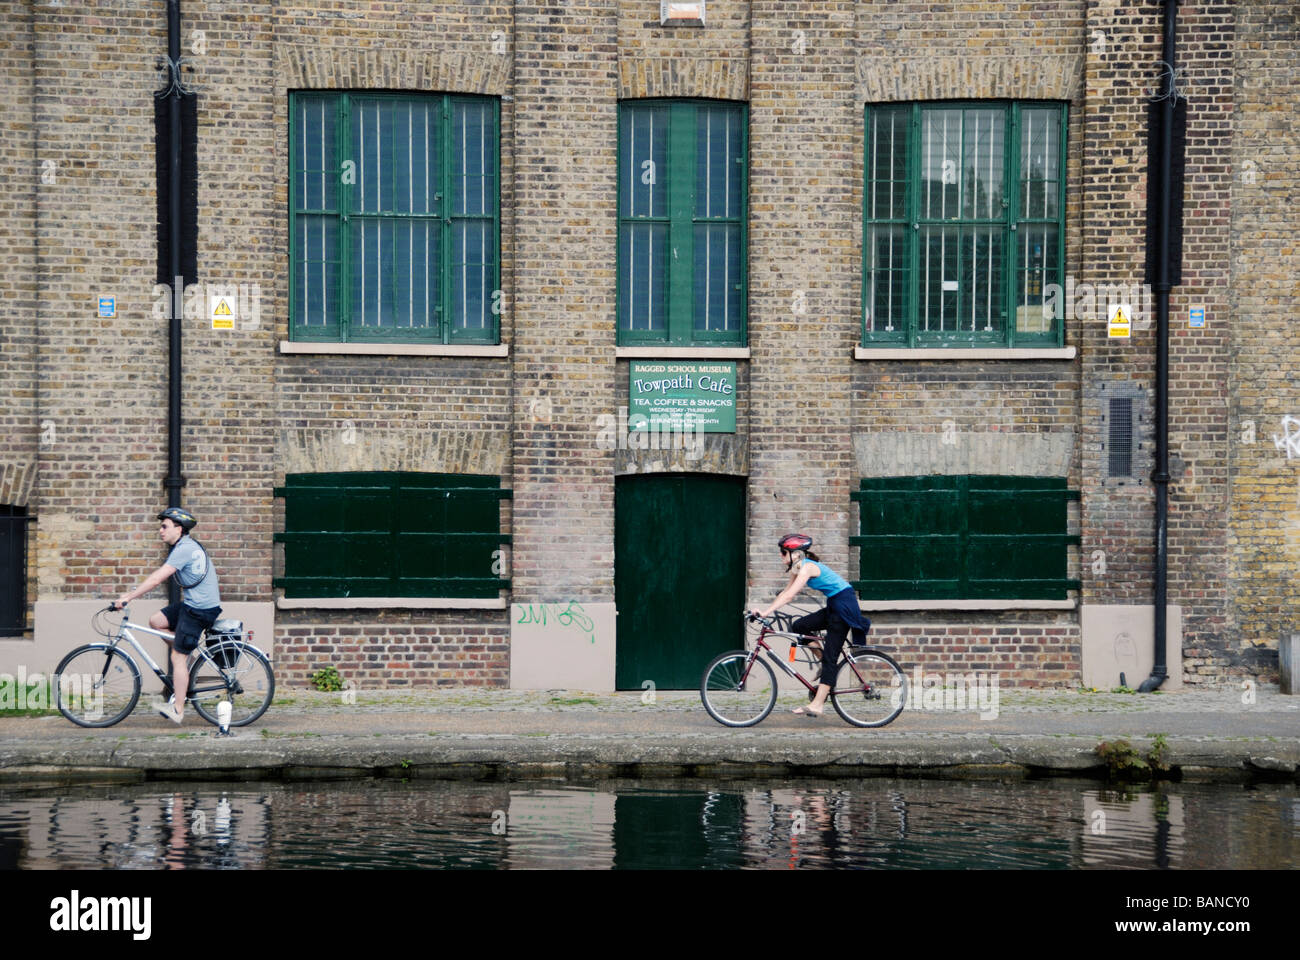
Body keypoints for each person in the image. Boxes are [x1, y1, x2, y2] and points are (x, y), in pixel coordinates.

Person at [114, 507, 221, 724]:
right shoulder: (185, 546)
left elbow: (156, 579)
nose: (160, 531)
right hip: (193, 604)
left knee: (177, 658)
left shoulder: (184, 549)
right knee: (156, 621)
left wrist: (129, 597)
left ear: (178, 529)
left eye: (165, 526)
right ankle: (184, 653)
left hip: (200, 609)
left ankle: (178, 709)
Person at [751, 533, 870, 718]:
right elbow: (785, 593)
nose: (780, 556)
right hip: (834, 604)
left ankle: (817, 704)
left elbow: (790, 596)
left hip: (844, 606)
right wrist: (764, 611)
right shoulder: (797, 568)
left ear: (796, 554)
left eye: (783, 552)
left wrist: (766, 612)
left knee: (832, 658)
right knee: (799, 626)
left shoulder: (808, 567)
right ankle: (823, 661)